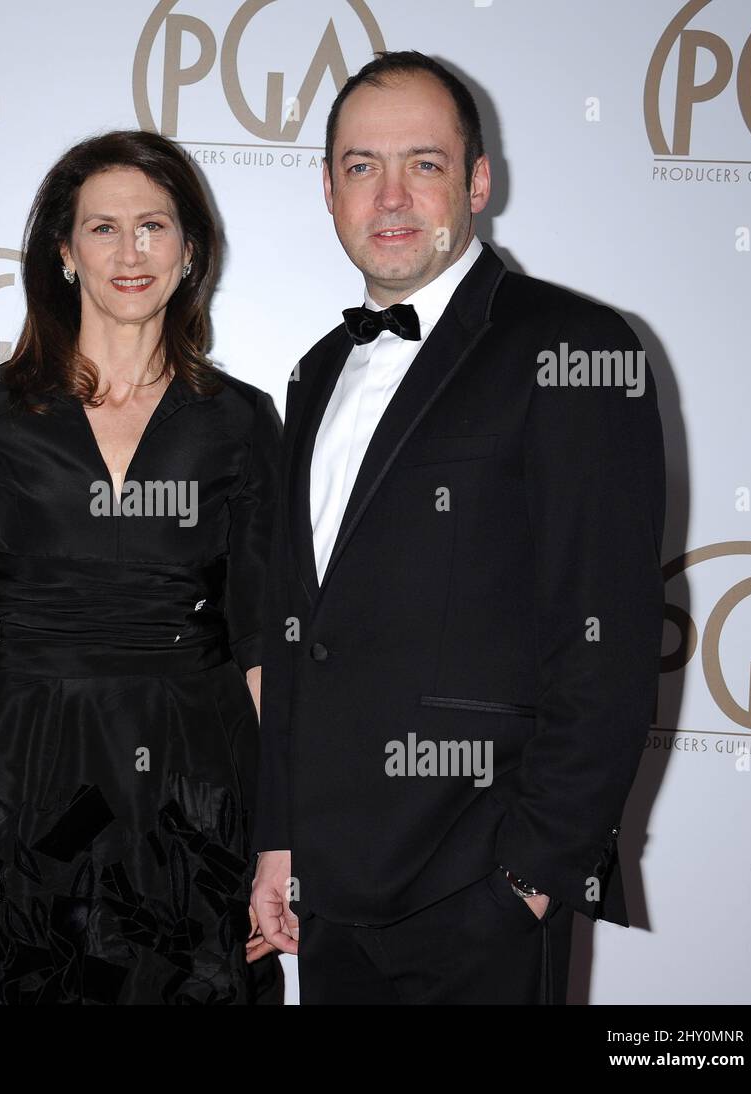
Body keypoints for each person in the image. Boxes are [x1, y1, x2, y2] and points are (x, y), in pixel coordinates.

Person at [251, 51, 666, 1004]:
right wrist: (279, 840)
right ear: (327, 189)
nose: (391, 195)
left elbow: (604, 636)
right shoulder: (316, 374)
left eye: (424, 164)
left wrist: (527, 880)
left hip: (474, 887)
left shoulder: (575, 347)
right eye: (362, 166)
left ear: (478, 181)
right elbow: (293, 625)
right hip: (330, 892)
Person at [0, 130, 283, 1004]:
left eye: (153, 225)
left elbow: (264, 638)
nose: (130, 251)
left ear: (190, 250)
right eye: (103, 228)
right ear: (65, 253)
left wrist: (282, 835)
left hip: (193, 784)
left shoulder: (241, 421)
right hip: (21, 773)